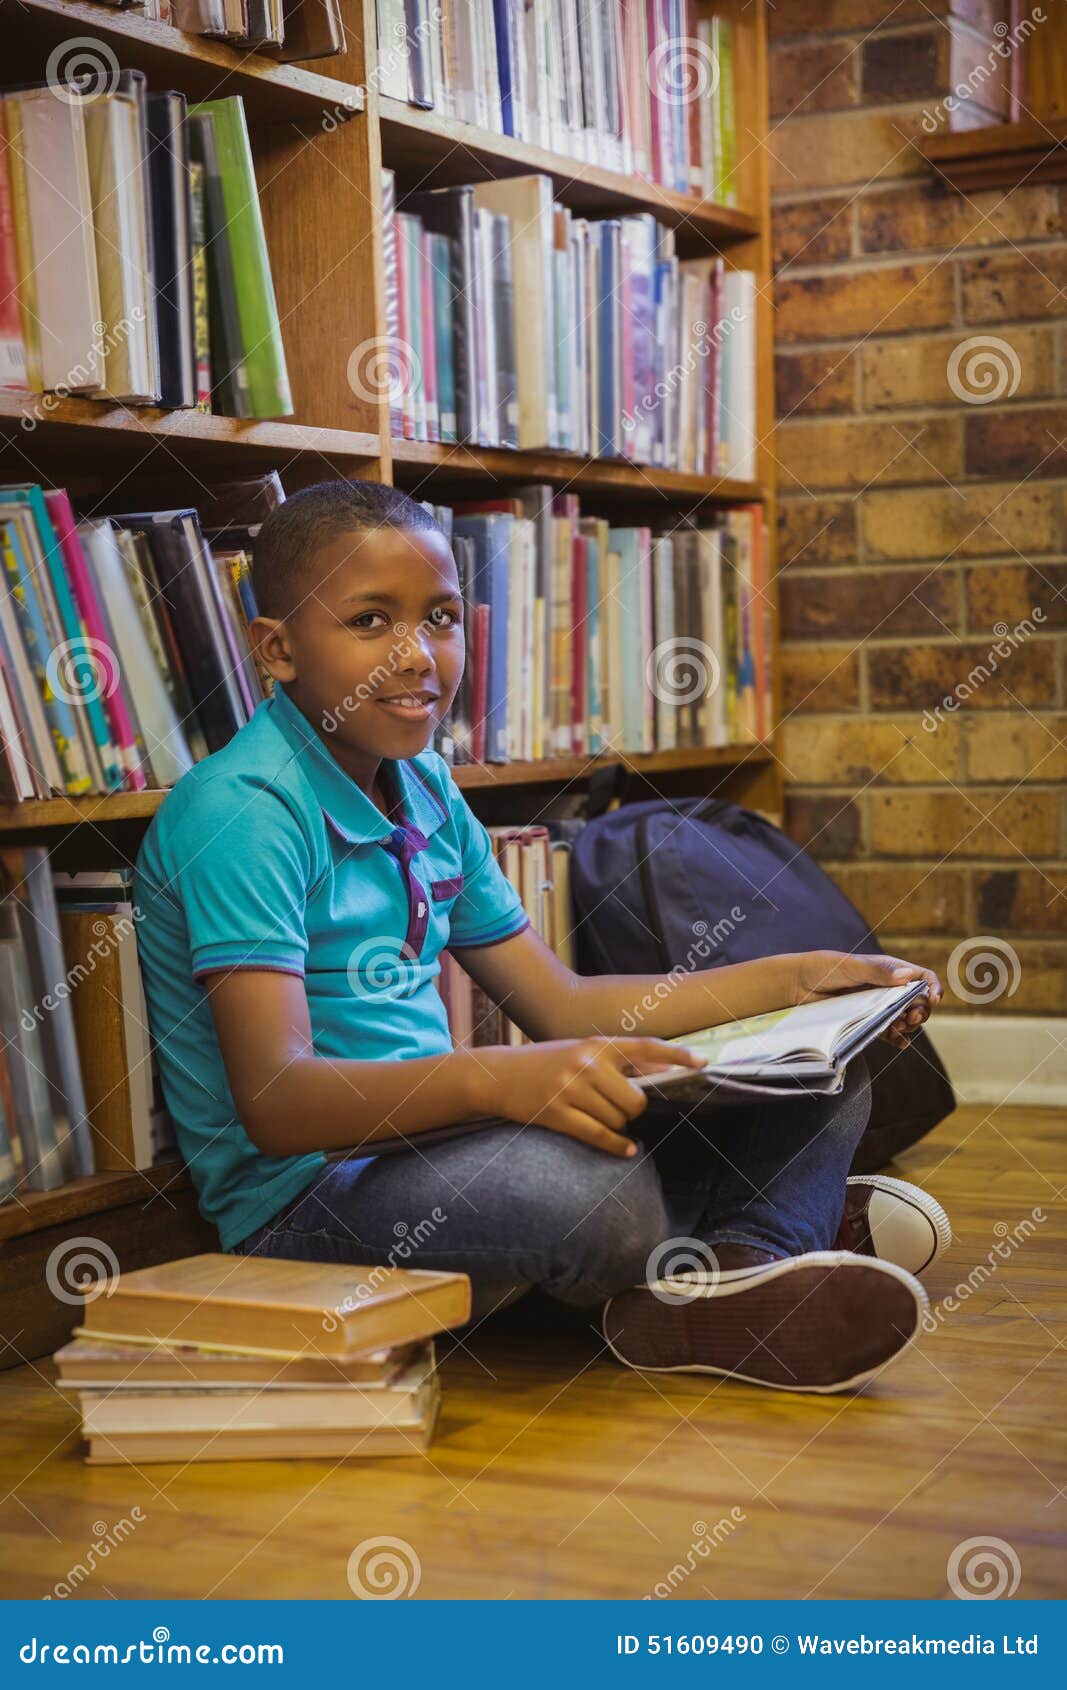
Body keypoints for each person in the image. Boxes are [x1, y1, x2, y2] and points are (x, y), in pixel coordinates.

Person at [133, 480, 947, 1395]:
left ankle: (735, 1266)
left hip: (448, 1139)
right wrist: (497, 1077)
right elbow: (279, 1106)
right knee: (590, 1199)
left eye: (439, 617)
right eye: (370, 621)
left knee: (826, 1063)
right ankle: (765, 1238)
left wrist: (796, 981)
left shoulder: (426, 787)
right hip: (311, 1201)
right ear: (276, 649)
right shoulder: (244, 812)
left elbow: (557, 1003)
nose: (416, 655)